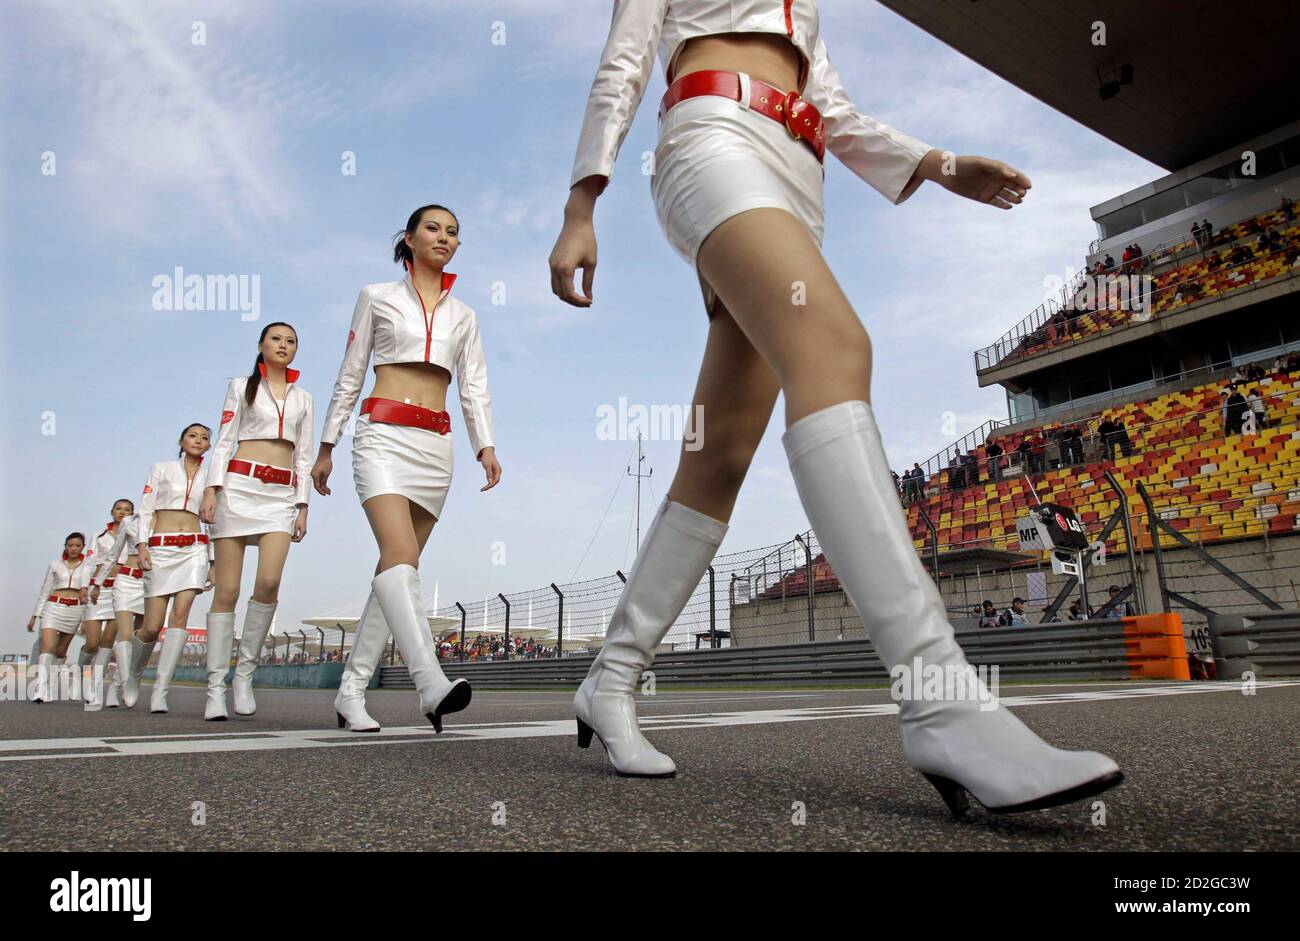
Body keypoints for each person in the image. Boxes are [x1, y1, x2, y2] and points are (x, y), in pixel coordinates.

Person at [547, 0, 1119, 812]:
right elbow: (624, 58)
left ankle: (610, 678)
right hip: (714, 136)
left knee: (720, 456)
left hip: (798, 172)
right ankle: (942, 703)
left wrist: (941, 163)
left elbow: (836, 108)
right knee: (836, 347)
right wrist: (583, 202)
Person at [313, 204, 501, 733]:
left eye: (454, 232)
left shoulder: (465, 316)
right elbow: (350, 374)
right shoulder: (376, 297)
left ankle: (350, 693)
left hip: (435, 448)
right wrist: (327, 443)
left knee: (396, 570)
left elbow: (474, 387)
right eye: (434, 228)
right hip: (381, 436)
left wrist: (484, 445)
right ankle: (430, 683)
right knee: (399, 556)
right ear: (411, 239)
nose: (445, 237)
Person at [200, 322, 314, 721]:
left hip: (280, 497)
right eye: (276, 339)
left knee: (268, 582)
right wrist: (212, 488)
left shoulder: (304, 398)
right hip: (238, 487)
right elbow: (224, 439)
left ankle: (243, 675)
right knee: (227, 590)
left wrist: (303, 504)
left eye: (291, 341)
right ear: (261, 346)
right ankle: (216, 685)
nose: (284, 346)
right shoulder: (240, 386)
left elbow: (303, 455)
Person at [123, 424, 215, 713]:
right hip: (160, 547)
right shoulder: (161, 469)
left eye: (204, 438)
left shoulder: (213, 477)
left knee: (180, 616)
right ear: (181, 440)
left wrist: (212, 562)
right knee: (151, 626)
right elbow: (146, 509)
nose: (198, 441)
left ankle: (161, 691)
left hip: (195, 549)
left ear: (210, 446)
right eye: (193, 436)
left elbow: (214, 520)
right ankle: (134, 674)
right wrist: (141, 545)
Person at [80, 499, 134, 711]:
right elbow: (89, 563)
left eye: (127, 509)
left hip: (120, 588)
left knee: (108, 642)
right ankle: (81, 672)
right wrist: (85, 586)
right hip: (98, 589)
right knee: (92, 642)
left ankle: (94, 690)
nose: (122, 512)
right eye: (119, 509)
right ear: (111, 511)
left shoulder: (134, 533)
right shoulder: (99, 537)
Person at [28, 534, 93, 703]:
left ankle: (50, 686)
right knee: (47, 646)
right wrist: (35, 615)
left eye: (77, 545)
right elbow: (45, 590)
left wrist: (86, 618)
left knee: (61, 651)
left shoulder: (88, 566)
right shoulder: (55, 565)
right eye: (70, 545)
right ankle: (40, 688)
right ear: (65, 546)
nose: (73, 548)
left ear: (82, 547)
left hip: (75, 609)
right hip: (53, 607)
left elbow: (88, 594)